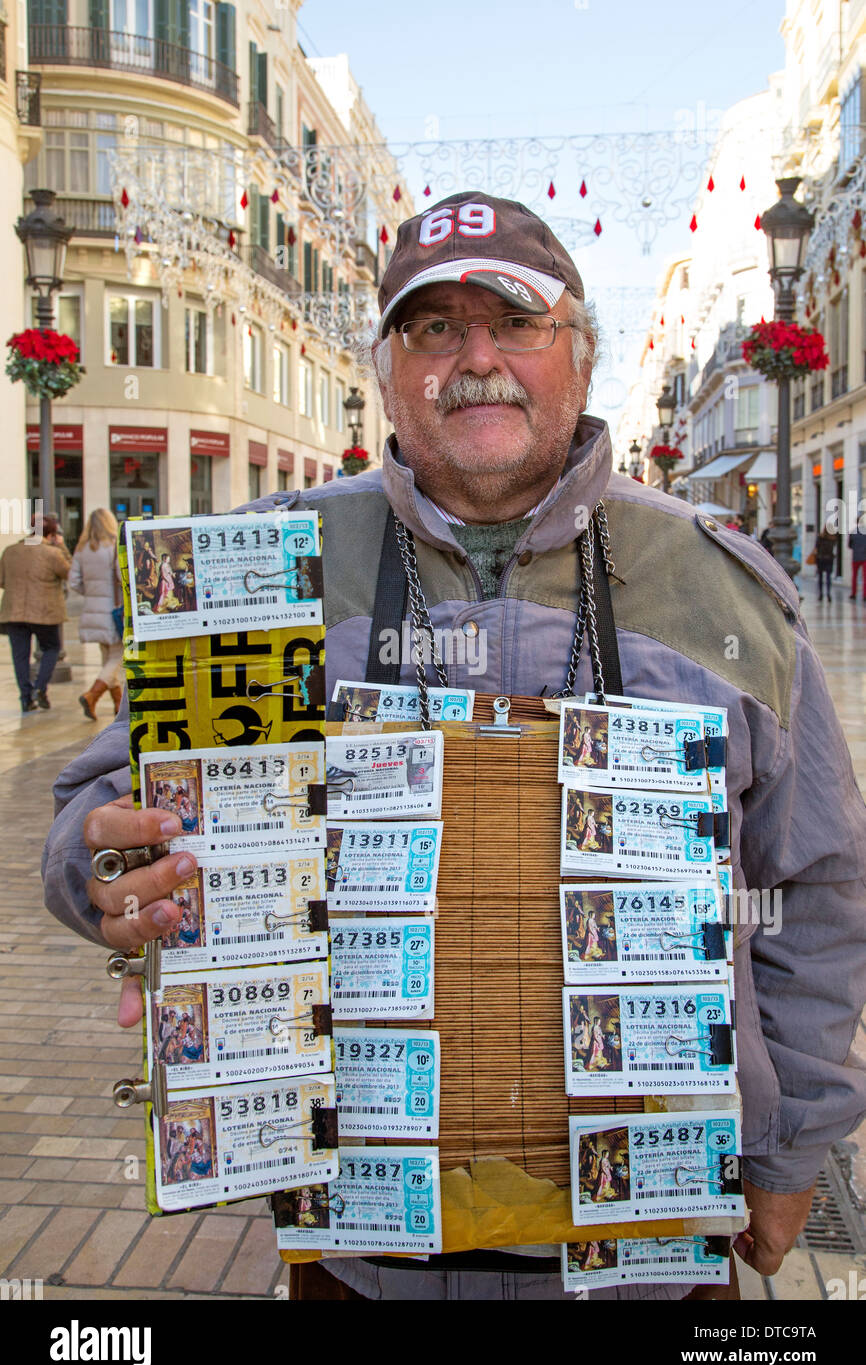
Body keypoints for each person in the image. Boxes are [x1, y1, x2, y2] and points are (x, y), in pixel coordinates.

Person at [42, 191, 866, 1303]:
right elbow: (93, 815)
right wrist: (105, 871)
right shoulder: (256, 571)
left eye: (514, 321)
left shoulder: (719, 583)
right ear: (384, 368)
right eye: (433, 328)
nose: (474, 359)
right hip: (355, 1251)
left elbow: (816, 887)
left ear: (577, 352)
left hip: (652, 1255)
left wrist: (791, 1145)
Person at [0, 513, 71, 712]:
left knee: (20, 656)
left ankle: (25, 697)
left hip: (14, 612)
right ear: (52, 533)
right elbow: (69, 573)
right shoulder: (52, 553)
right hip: (44, 611)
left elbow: (1, 580)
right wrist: (62, 546)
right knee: (51, 648)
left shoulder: (10, 551)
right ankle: (40, 688)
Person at [67, 508, 124, 720]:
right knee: (118, 656)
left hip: (92, 611)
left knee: (106, 659)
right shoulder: (113, 548)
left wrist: (91, 593)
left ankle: (118, 704)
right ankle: (92, 695)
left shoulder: (82, 549)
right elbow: (121, 576)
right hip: (113, 611)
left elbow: (73, 582)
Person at [815, 526, 836, 601]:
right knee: (828, 577)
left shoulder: (820, 537)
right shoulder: (833, 538)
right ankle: (828, 594)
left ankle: (820, 594)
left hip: (821, 559)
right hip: (829, 559)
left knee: (820, 577)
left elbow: (816, 547)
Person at [848, 527, 866, 600]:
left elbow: (849, 545)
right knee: (865, 577)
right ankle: (865, 595)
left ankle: (853, 593)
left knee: (854, 576)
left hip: (855, 557)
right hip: (865, 557)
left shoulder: (853, 532)